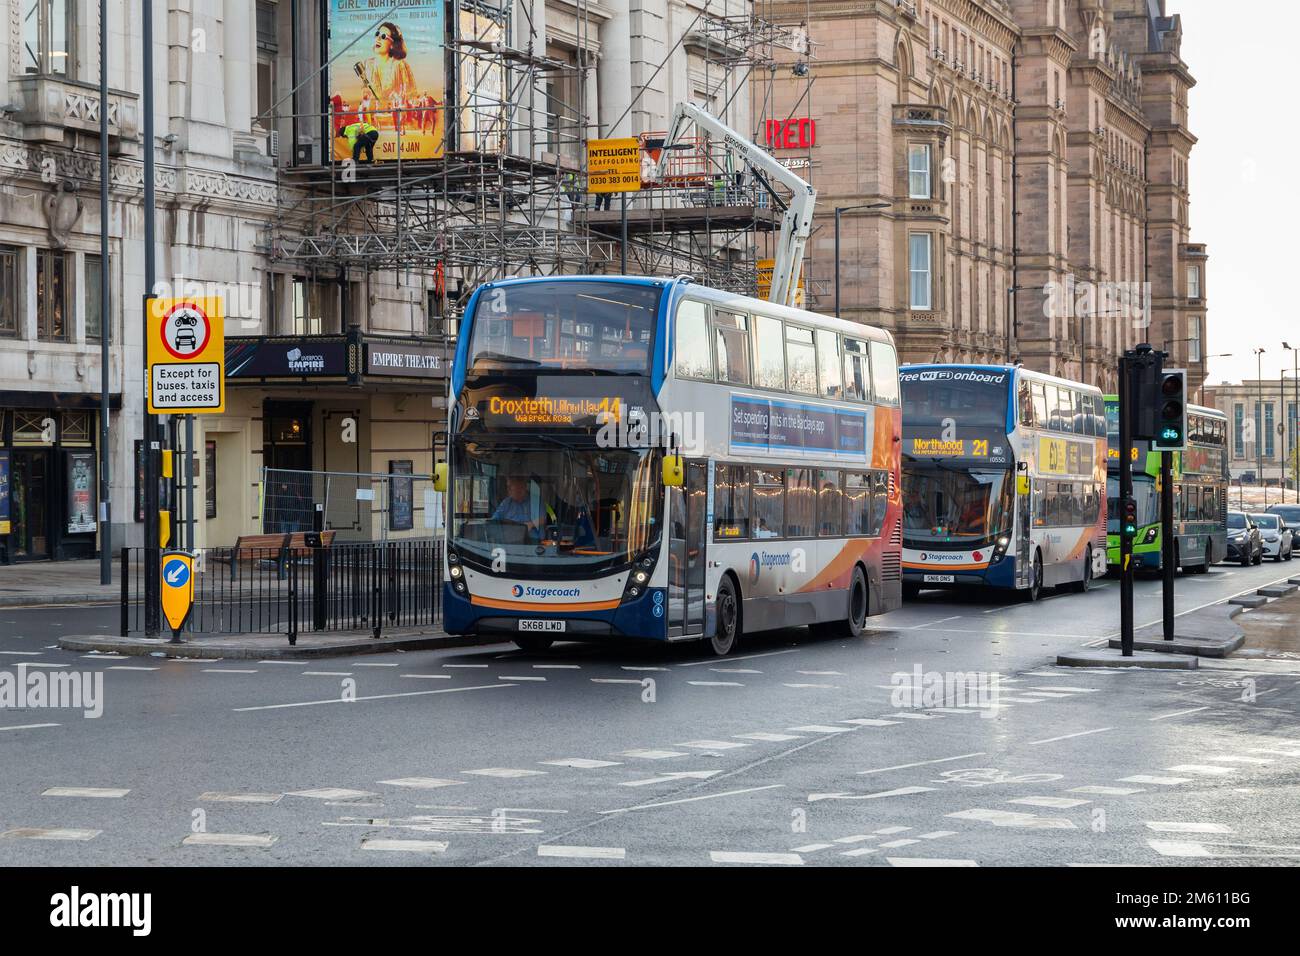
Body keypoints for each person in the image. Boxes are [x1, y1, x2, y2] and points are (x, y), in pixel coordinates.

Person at [358, 22, 416, 129]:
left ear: (392, 44)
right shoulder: (367, 65)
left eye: (383, 36)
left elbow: (409, 93)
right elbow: (364, 93)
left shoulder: (400, 65)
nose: (378, 39)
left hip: (396, 113)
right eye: (377, 34)